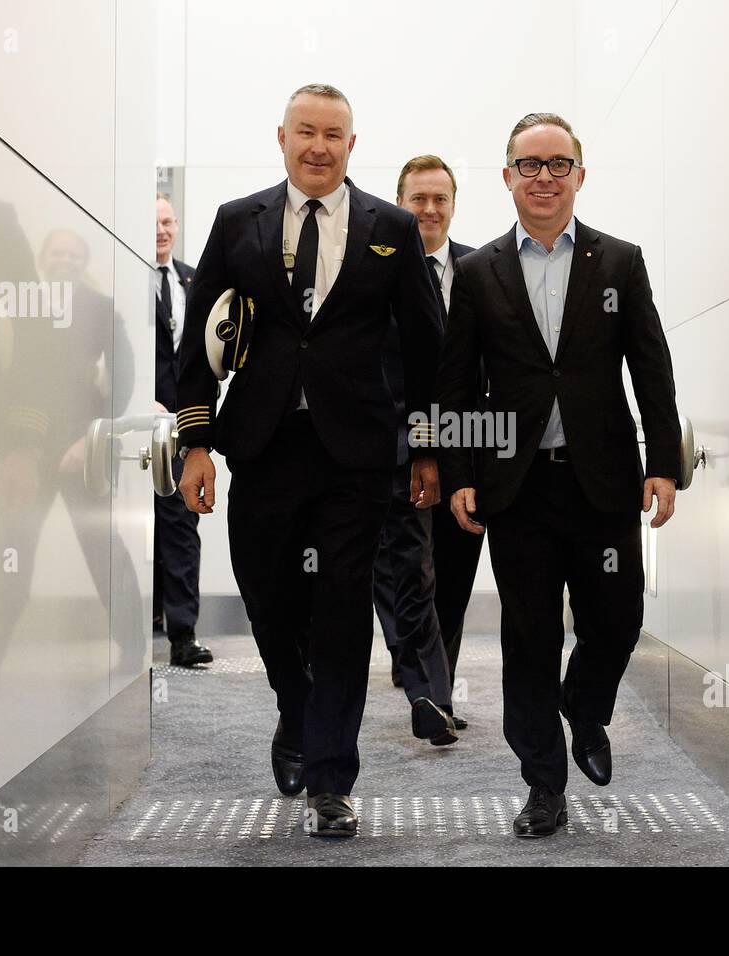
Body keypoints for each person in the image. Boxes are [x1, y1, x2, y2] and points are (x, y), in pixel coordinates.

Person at [176, 84, 443, 838]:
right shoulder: (238, 222)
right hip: (262, 447)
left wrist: (427, 448)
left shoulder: (392, 229)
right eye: (306, 132)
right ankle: (296, 709)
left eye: (334, 134)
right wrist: (196, 443)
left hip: (356, 456)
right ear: (283, 138)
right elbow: (196, 341)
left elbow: (428, 350)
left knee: (341, 609)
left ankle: (332, 775)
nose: (319, 146)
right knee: (269, 598)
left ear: (353, 145)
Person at [435, 113, 682, 838]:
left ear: (579, 173)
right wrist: (459, 473)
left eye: (558, 163)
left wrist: (663, 464)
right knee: (531, 637)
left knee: (617, 620)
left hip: (602, 481)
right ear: (508, 176)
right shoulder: (478, 273)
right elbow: (455, 386)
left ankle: (586, 706)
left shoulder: (620, 262)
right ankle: (544, 783)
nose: (544, 177)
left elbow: (652, 369)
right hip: (519, 490)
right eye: (529, 165)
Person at [372, 155, 478, 741]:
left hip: (467, 446)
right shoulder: (377, 269)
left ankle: (438, 683)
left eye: (440, 199)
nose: (430, 209)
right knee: (409, 568)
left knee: (456, 572)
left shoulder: (479, 268)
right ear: (401, 204)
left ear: (453, 205)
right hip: (398, 444)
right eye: (419, 199)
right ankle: (428, 687)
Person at [154, 194, 212, 667]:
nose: (162, 231)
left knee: (180, 524)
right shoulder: (123, 279)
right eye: (154, 223)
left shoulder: (192, 278)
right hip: (133, 422)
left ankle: (183, 633)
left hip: (180, 425)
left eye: (169, 222)